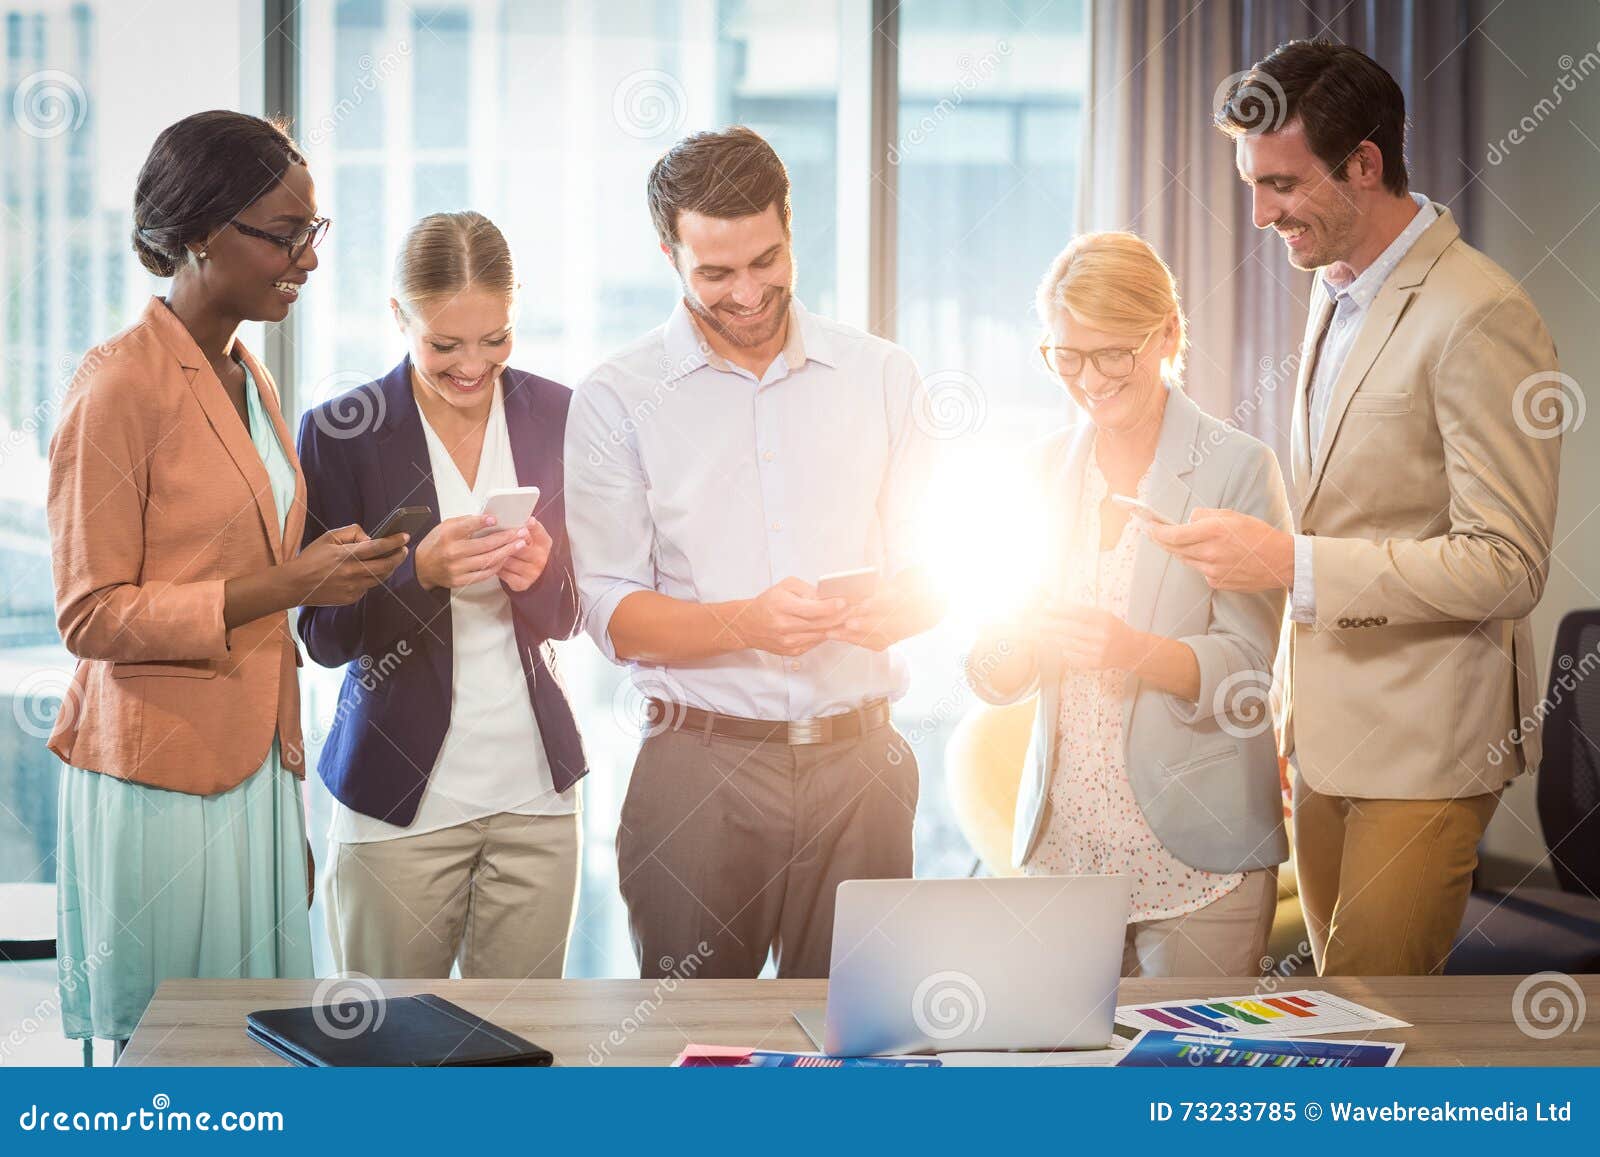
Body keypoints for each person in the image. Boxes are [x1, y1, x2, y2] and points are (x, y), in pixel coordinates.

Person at [1150, 40, 1562, 975]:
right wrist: (1290, 708)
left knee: (1377, 1016)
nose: (1261, 215)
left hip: (1426, 743)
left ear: (1365, 164)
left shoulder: (1479, 312)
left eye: (1282, 184)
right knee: (1330, 1017)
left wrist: (1288, 563)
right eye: (1252, 185)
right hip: (1323, 739)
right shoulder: (1335, 285)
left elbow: (1509, 563)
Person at [46, 111, 403, 1045]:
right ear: (202, 233)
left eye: (312, 232)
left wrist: (326, 575)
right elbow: (91, 614)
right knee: (174, 1060)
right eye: (285, 235)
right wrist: (291, 586)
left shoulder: (249, 373)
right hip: (160, 776)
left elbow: (241, 562)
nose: (308, 259)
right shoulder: (117, 385)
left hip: (256, 765)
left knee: (257, 1049)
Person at [564, 126, 942, 980]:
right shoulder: (617, 397)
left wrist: (907, 603)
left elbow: (935, 572)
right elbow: (611, 612)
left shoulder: (882, 375)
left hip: (864, 767)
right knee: (695, 1036)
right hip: (698, 771)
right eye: (715, 273)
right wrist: (749, 624)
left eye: (767, 261)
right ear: (670, 255)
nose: (747, 293)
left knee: (857, 1033)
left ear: (790, 229)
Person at [965, 232, 1289, 978]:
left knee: (1186, 1055)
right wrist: (1015, 639)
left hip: (1202, 859)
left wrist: (1129, 650)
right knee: (1057, 1054)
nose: (1089, 380)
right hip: (1065, 850)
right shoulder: (1036, 473)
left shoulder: (1238, 468)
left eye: (1112, 354)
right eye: (1067, 357)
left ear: (1167, 333)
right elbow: (989, 673)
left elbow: (1247, 673)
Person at [297, 211, 586, 980]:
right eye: (445, 345)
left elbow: (571, 614)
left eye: (496, 339)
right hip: (398, 808)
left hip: (536, 800)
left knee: (523, 1046)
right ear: (400, 317)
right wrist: (415, 575)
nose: (473, 366)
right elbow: (320, 634)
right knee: (387, 1043)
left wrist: (542, 577)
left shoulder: (558, 414)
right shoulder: (341, 432)